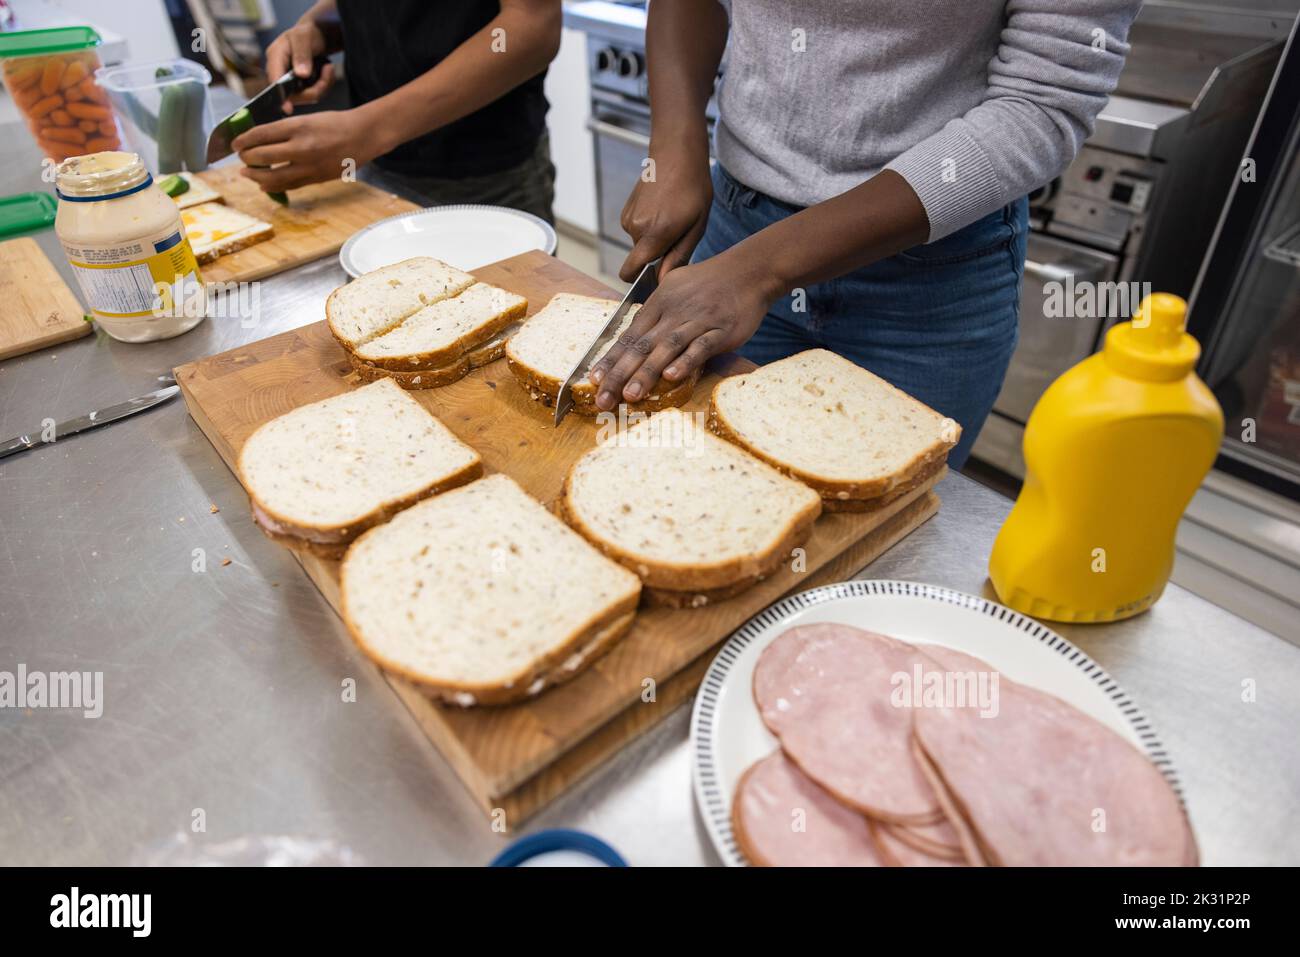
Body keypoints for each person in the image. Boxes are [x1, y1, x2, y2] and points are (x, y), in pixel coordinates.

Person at [590, 0, 1143, 466]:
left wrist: (761, 268)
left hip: (931, 275)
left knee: (879, 532)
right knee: (691, 478)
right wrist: (674, 143)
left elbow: (1042, 103)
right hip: (735, 233)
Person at [231, 0, 561, 222]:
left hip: (487, 178)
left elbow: (533, 25)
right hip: (374, 172)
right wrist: (318, 27)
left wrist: (368, 130)